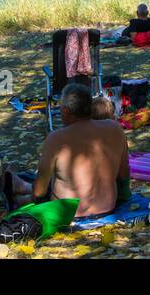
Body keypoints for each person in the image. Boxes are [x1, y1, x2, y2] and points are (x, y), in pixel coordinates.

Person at [25, 85, 129, 219]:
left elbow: (40, 191)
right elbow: (123, 175)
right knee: (26, 182)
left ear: (66, 111)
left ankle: (15, 183)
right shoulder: (115, 128)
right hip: (107, 208)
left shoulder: (56, 139)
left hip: (67, 214)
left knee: (27, 185)